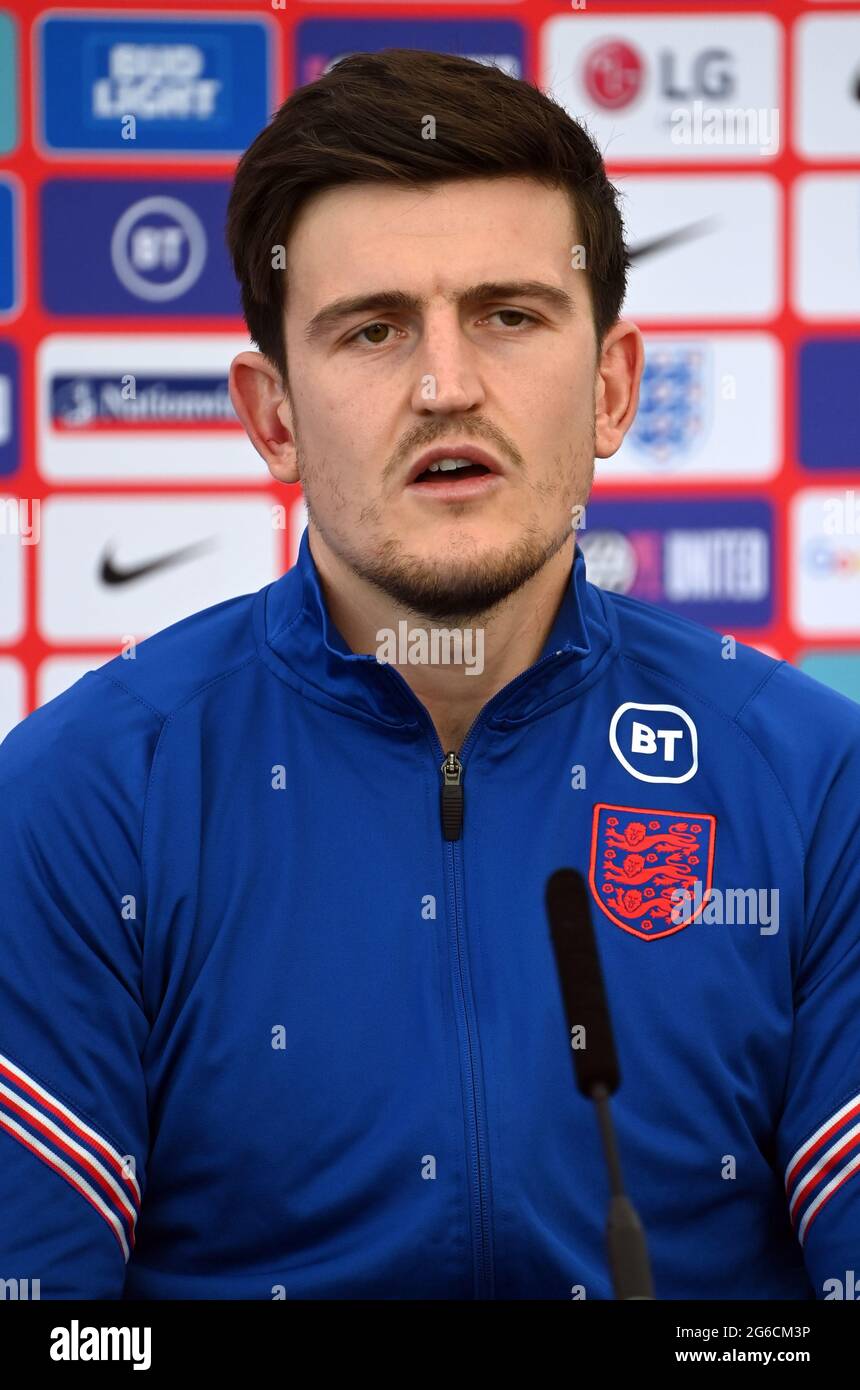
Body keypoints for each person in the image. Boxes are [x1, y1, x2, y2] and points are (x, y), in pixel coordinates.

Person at [0, 49, 857, 1301]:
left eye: (509, 315)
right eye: (372, 329)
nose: (445, 386)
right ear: (273, 415)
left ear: (612, 386)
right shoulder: (78, 800)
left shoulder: (812, 782)